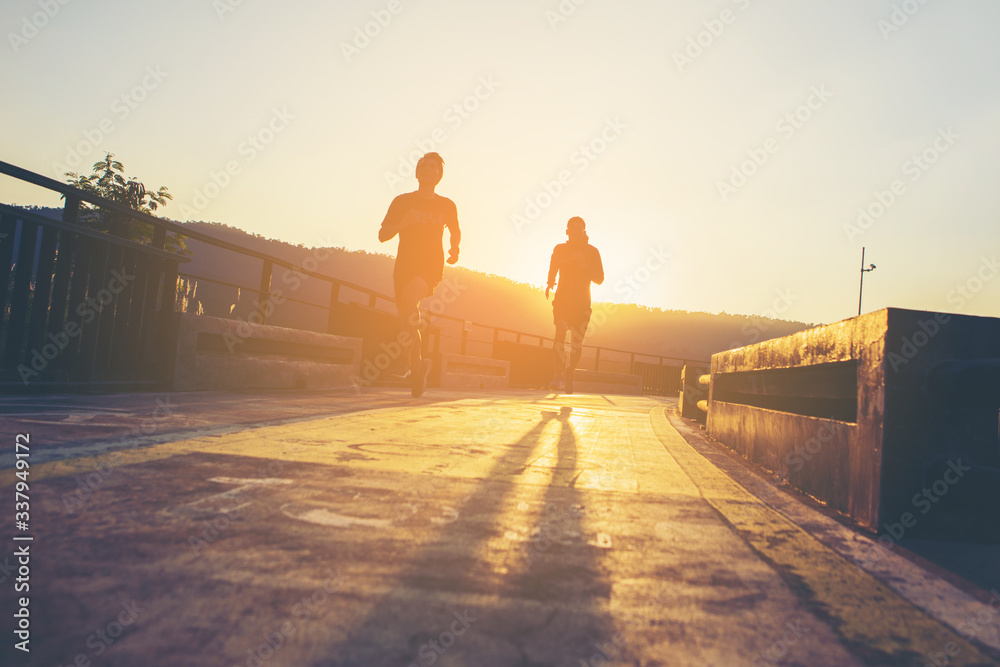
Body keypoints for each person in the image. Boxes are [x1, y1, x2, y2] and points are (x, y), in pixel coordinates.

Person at [378, 152, 461, 397]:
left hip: (430, 265)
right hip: (404, 265)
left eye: (432, 168)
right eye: (422, 166)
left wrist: (454, 249)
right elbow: (382, 235)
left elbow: (455, 231)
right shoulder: (402, 201)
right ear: (416, 172)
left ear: (439, 175)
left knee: (409, 302)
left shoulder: (446, 205)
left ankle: (404, 362)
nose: (427, 170)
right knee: (407, 314)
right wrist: (402, 224)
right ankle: (418, 365)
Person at [546, 216, 604, 394]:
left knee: (576, 344)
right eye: (572, 229)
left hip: (582, 304)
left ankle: (569, 372)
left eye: (579, 229)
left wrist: (583, 264)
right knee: (560, 331)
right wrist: (550, 282)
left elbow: (600, 279)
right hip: (562, 300)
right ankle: (558, 375)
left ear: (584, 231)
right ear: (567, 231)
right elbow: (553, 266)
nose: (575, 232)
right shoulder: (560, 249)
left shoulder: (592, 252)